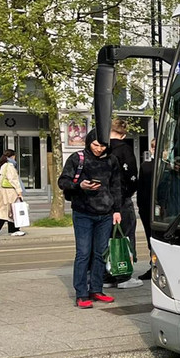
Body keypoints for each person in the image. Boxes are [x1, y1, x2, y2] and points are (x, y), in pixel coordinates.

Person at [59, 130, 122, 308]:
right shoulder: (77, 158)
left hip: (105, 213)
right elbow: (62, 181)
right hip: (83, 212)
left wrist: (117, 210)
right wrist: (80, 185)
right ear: (88, 142)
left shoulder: (112, 160)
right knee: (83, 253)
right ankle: (81, 293)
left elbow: (116, 186)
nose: (99, 149)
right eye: (95, 145)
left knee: (100, 253)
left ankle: (96, 289)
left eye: (102, 146)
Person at [104, 119, 142, 288]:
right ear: (124, 133)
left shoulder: (99, 148)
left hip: (103, 201)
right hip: (122, 199)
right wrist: (130, 191)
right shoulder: (124, 149)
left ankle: (107, 275)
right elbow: (132, 175)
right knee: (125, 235)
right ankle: (124, 275)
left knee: (106, 238)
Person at [137, 138, 155, 281]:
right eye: (153, 147)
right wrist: (141, 206)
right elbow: (141, 188)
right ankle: (153, 264)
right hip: (147, 207)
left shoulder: (171, 166)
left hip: (160, 208)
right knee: (150, 238)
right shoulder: (146, 166)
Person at [0, 149, 26, 237]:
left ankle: (14, 229)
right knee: (7, 211)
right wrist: (19, 192)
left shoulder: (3, 165)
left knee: (11, 211)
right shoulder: (9, 166)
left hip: (3, 191)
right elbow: (14, 180)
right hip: (9, 192)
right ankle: (14, 230)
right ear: (12, 156)